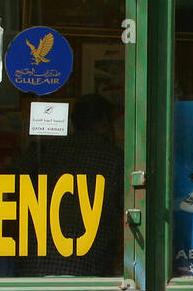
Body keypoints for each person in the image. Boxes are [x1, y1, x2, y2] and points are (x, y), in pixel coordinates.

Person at [16, 94, 124, 277]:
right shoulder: (116, 159)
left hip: (34, 267)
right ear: (105, 122)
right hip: (88, 268)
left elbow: (9, 192)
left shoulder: (43, 151)